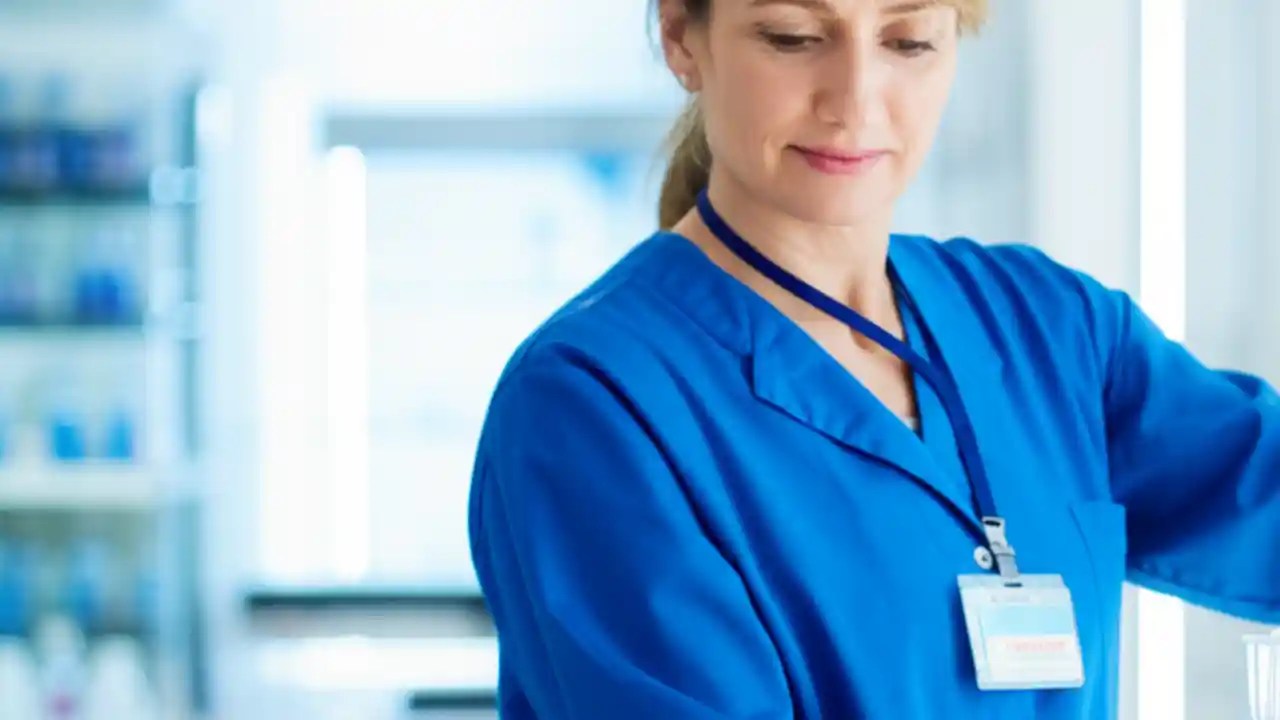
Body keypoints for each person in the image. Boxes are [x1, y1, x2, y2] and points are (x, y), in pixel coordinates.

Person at [467, 0, 1280, 717]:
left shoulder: (1047, 328)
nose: (855, 100)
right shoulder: (594, 405)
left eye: (909, 40)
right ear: (683, 35)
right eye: (792, 37)